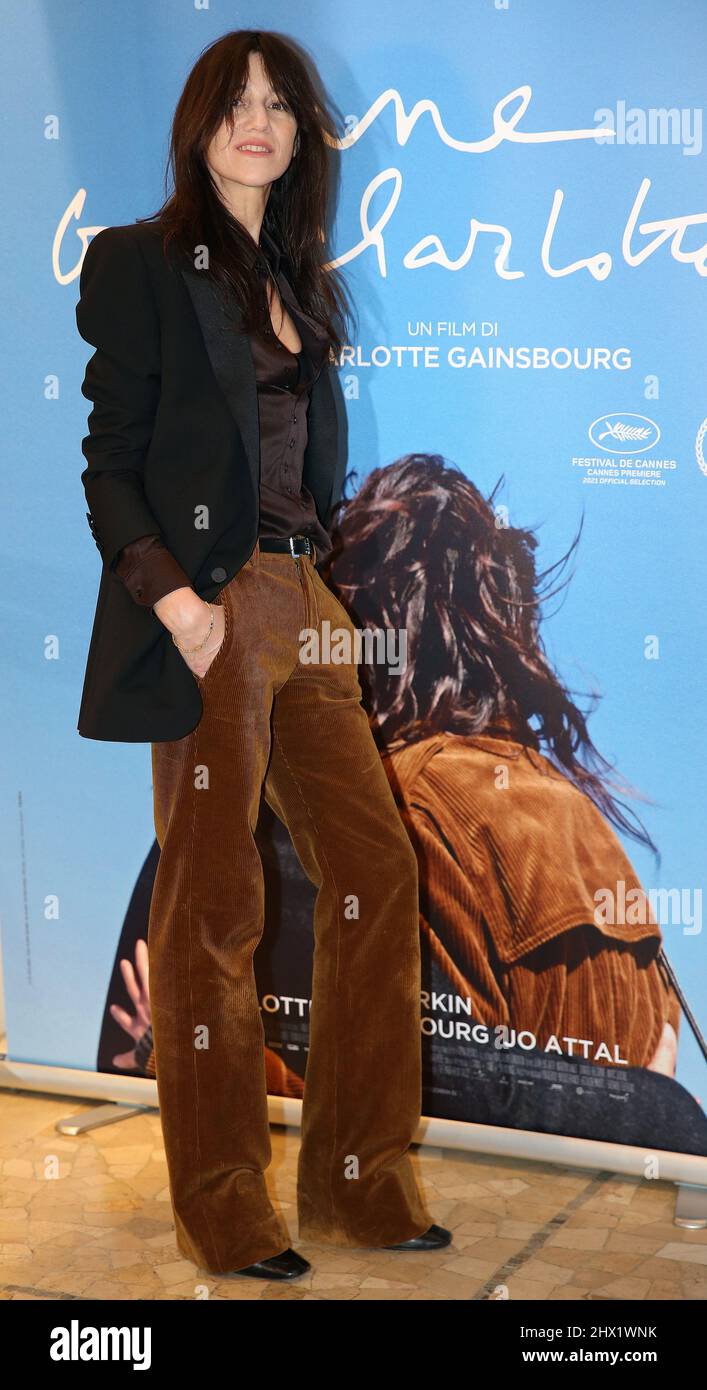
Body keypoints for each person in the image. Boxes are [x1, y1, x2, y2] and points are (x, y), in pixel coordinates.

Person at [76, 32, 450, 1280]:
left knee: (375, 870)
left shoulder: (301, 278)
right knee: (213, 904)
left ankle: (358, 1181)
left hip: (307, 598)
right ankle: (226, 1202)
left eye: (277, 106)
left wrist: (311, 590)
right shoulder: (140, 260)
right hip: (214, 607)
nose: (257, 122)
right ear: (199, 124)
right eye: (235, 103)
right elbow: (111, 463)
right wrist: (176, 602)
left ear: (300, 135)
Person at [321, 455, 684, 1087]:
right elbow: (654, 1081)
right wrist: (651, 1110)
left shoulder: (393, 805)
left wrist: (167, 1052)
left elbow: (418, 1095)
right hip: (615, 1187)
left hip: (470, 1187)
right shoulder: (582, 821)